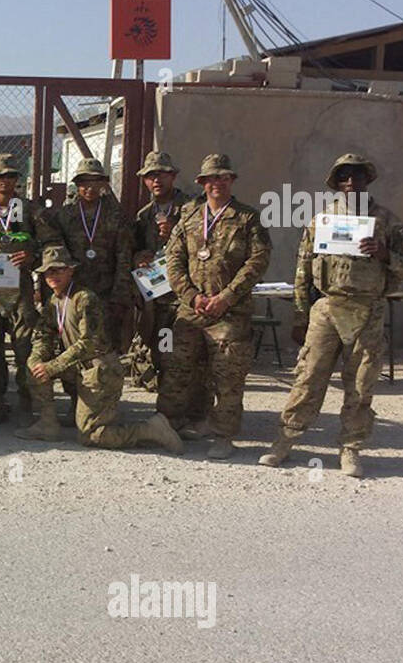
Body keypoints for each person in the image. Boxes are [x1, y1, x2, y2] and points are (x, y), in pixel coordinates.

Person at [259, 154, 403, 477]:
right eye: (344, 178)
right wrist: (300, 317)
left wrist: (385, 253)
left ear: (366, 181)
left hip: (367, 311)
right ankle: (285, 440)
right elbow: (303, 269)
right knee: (308, 377)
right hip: (328, 309)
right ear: (336, 183)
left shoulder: (387, 221)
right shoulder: (321, 220)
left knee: (360, 384)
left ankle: (351, 448)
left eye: (356, 177)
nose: (350, 183)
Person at [158, 153, 271, 459]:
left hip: (230, 311)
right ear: (202, 183)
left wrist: (227, 297)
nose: (217, 183)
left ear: (231, 181)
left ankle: (223, 435)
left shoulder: (247, 218)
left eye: (223, 178)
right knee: (177, 366)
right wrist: (191, 295)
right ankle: (168, 424)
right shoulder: (190, 216)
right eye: (211, 179)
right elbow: (174, 259)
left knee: (228, 375)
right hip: (191, 308)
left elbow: (257, 261)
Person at [15, 247, 183, 453]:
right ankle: (47, 424)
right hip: (78, 367)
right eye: (49, 272)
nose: (53, 276)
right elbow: (44, 335)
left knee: (92, 436)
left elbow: (89, 342)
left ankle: (149, 429)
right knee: (34, 368)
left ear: (71, 271)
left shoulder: (84, 299)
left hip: (100, 371)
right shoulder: (54, 301)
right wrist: (38, 359)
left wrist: (52, 367)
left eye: (58, 270)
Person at [0, 152, 62, 426]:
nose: (5, 181)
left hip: (20, 292)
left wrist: (34, 257)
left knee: (25, 347)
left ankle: (27, 403)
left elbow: (53, 245)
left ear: (17, 179)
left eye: (10, 176)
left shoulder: (29, 210)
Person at [133, 150, 207, 411]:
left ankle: (197, 412)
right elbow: (137, 250)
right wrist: (139, 257)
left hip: (187, 298)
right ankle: (169, 410)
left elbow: (207, 247)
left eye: (162, 175)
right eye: (151, 176)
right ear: (144, 180)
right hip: (160, 301)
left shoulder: (193, 208)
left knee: (191, 356)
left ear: (173, 176)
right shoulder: (143, 216)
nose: (156, 181)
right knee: (163, 353)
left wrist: (177, 229)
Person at [56, 157, 135, 354]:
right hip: (74, 290)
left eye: (94, 182)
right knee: (73, 347)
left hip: (106, 291)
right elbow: (57, 255)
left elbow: (124, 256)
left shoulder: (116, 215)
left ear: (102, 183)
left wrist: (120, 296)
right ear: (77, 185)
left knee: (105, 348)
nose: (89, 188)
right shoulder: (65, 215)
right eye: (83, 182)